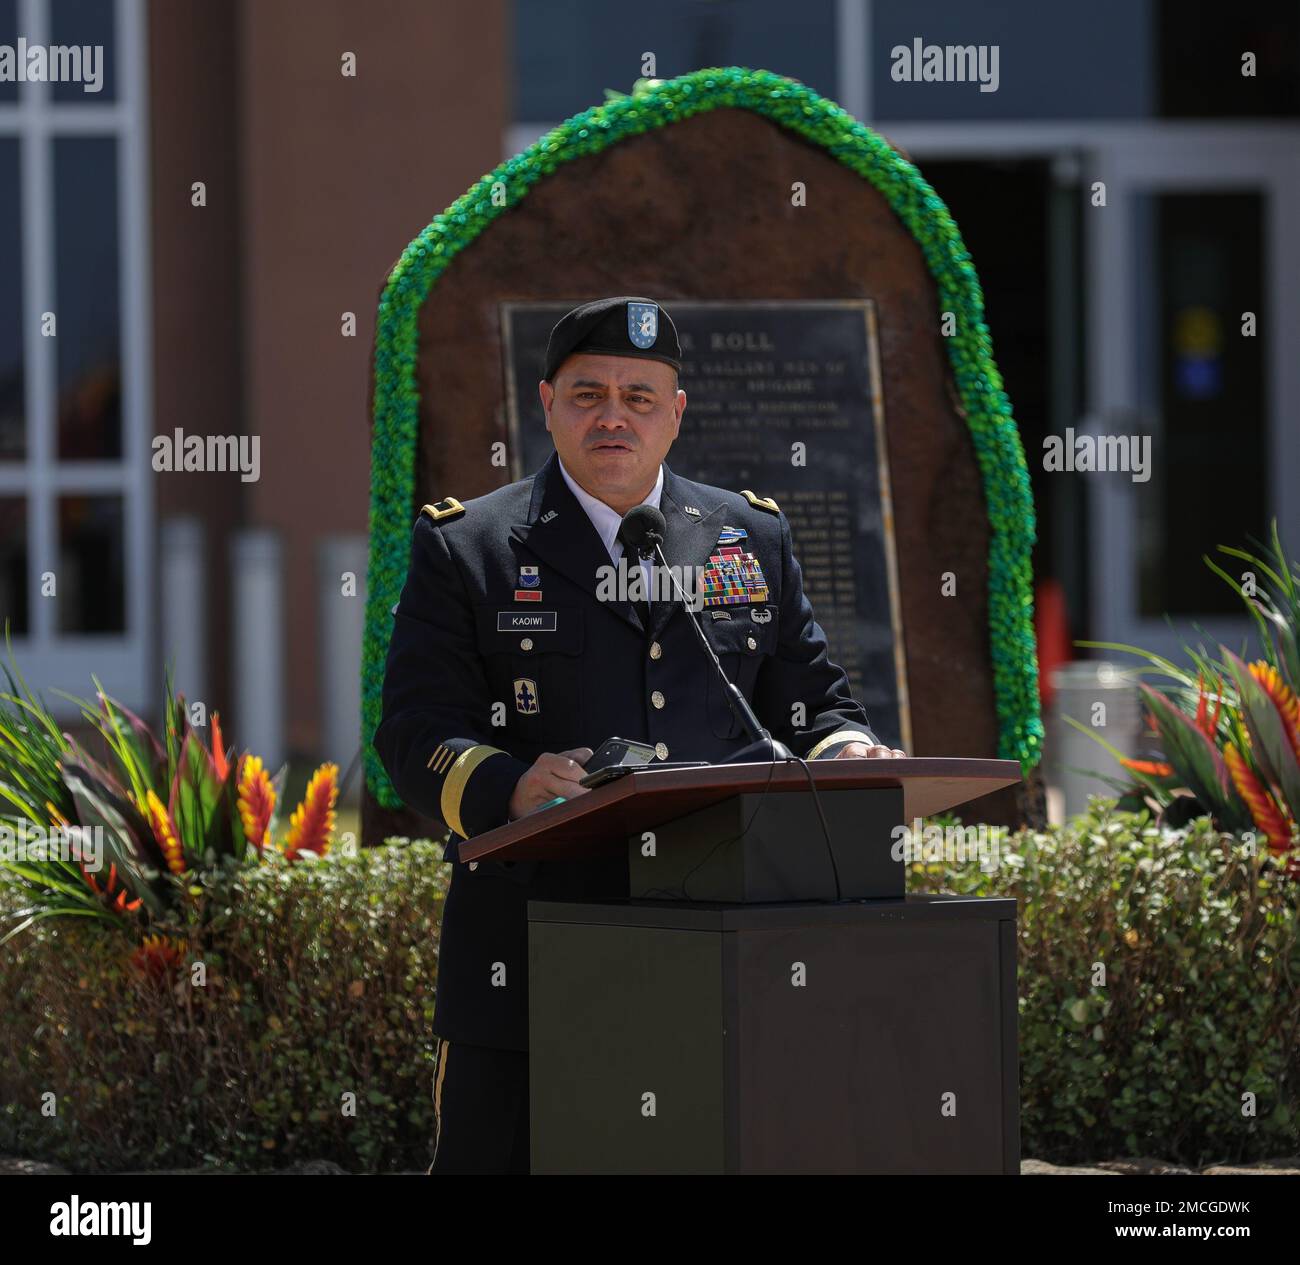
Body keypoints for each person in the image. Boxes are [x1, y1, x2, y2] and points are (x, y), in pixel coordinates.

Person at [374, 296, 905, 1174]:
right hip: (531, 958)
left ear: (676, 412)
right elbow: (416, 727)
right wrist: (508, 783)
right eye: (588, 394)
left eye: (638, 395)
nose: (613, 415)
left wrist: (850, 755)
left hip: (724, 953)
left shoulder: (752, 536)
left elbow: (813, 707)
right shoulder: (470, 546)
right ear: (545, 403)